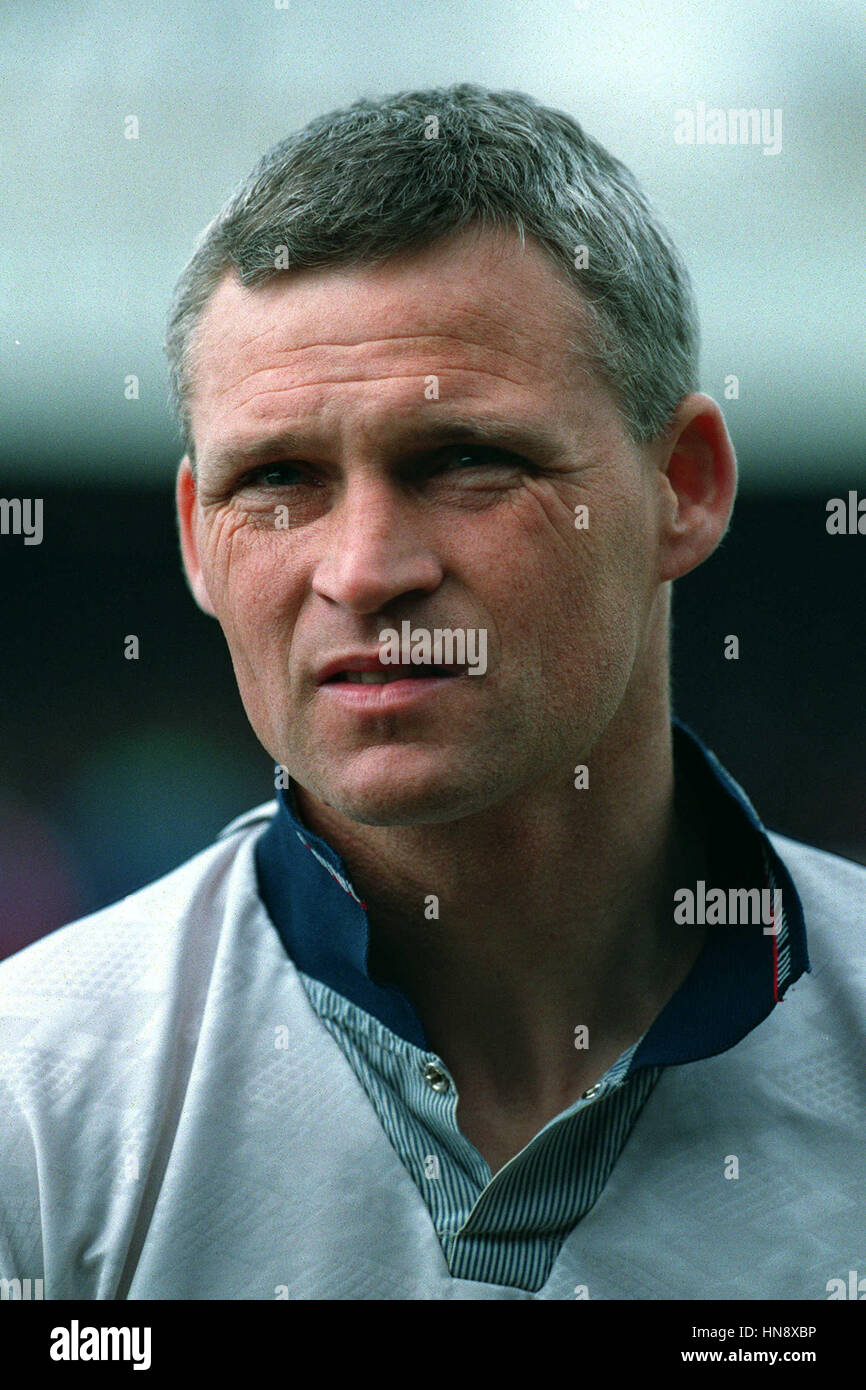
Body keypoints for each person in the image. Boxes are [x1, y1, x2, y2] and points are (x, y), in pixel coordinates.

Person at [1, 83, 863, 1302]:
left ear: (684, 483)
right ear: (196, 539)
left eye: (465, 460)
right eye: (280, 476)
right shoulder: (35, 1100)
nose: (359, 570)